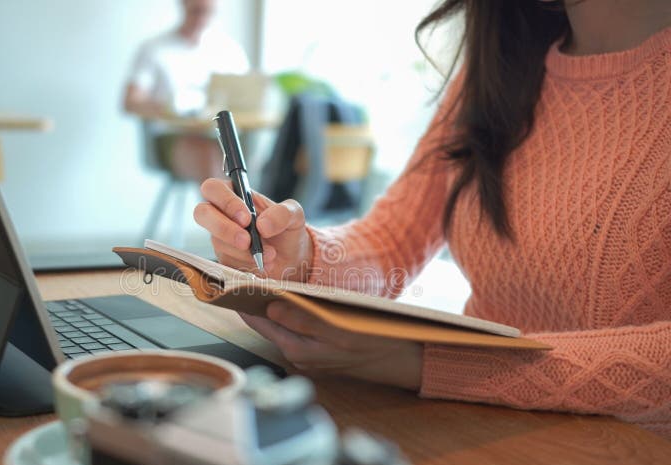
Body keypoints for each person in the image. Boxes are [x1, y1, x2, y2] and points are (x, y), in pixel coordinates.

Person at [193, 0, 671, 438]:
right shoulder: (499, 68)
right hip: (472, 431)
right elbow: (393, 237)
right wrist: (303, 254)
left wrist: (435, 364)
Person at [123, 0, 249, 179]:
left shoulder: (230, 51)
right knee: (209, 156)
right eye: (197, 11)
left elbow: (248, 97)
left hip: (220, 136)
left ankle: (241, 204)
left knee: (237, 154)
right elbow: (131, 101)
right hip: (174, 136)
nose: (202, 18)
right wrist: (169, 109)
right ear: (183, 4)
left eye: (208, 11)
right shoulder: (154, 49)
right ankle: (227, 205)